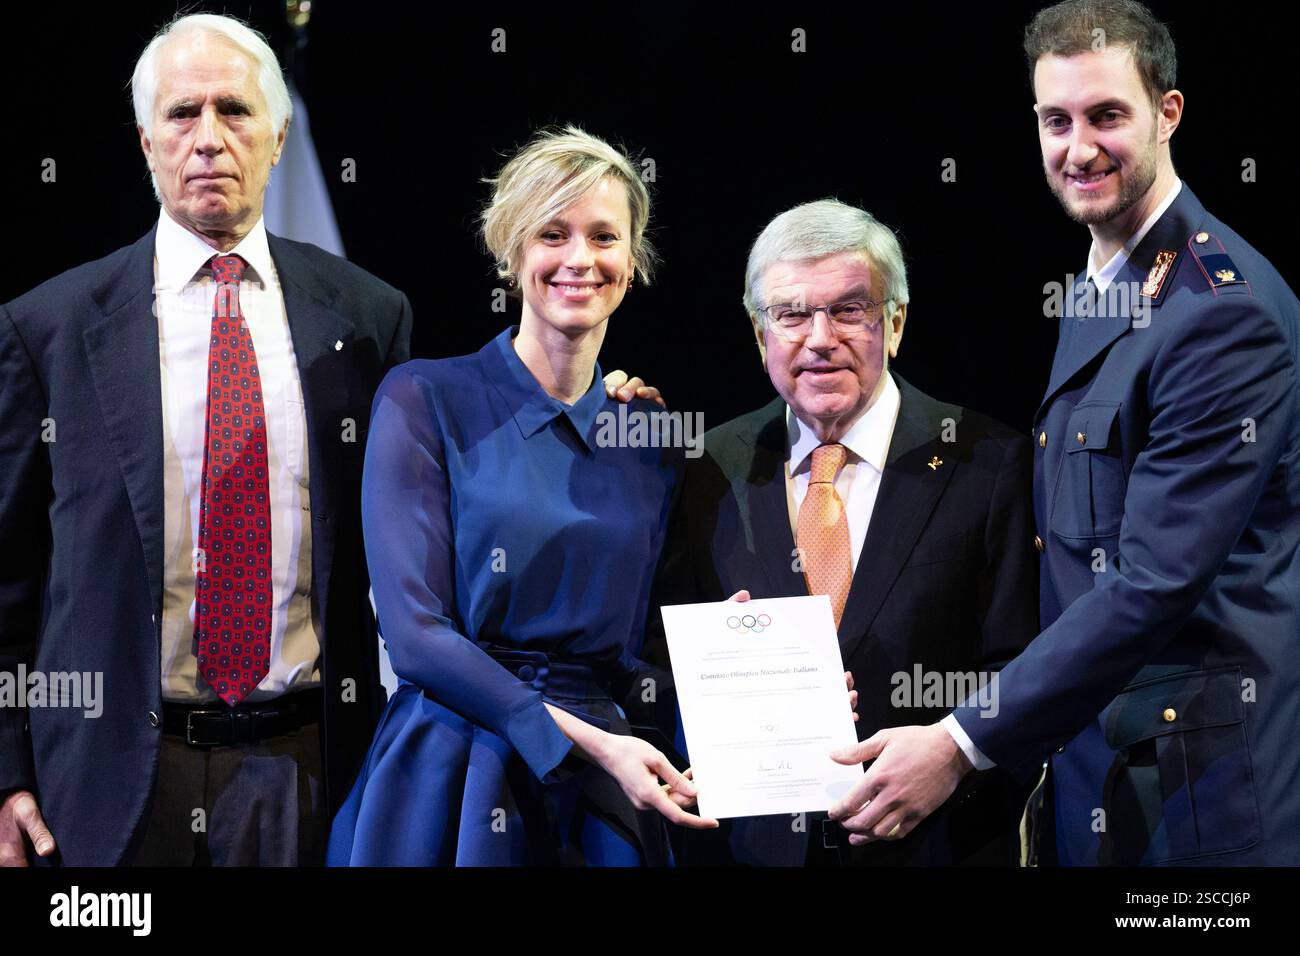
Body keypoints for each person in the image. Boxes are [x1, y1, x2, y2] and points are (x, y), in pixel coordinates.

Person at [828, 0, 1300, 866]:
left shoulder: (1219, 313)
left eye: (1107, 115)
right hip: (1098, 770)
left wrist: (960, 741)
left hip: (1196, 798)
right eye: (1056, 120)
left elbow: (1152, 582)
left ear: (1169, 112)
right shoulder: (1105, 283)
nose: (1078, 148)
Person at [326, 127, 719, 866]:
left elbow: (637, 654)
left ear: (631, 263)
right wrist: (588, 741)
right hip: (454, 767)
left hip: (608, 791)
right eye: (552, 233)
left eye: (605, 236)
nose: (579, 259)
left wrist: (727, 664)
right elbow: (415, 636)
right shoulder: (425, 398)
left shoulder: (654, 434)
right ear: (512, 255)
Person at [641, 199, 1039, 866]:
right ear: (758, 332)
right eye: (791, 314)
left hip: (941, 845)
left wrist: (954, 753)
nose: (820, 337)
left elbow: (1027, 665)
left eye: (849, 309)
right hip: (752, 853)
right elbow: (655, 665)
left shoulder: (989, 461)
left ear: (896, 321)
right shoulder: (702, 470)